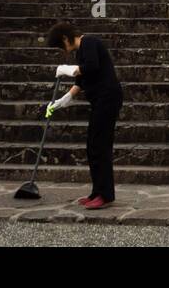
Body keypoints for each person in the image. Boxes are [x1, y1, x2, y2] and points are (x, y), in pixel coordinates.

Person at [45, 21, 123, 209]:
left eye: (61, 45)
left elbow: (91, 67)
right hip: (99, 102)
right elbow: (80, 82)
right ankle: (97, 191)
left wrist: (66, 69)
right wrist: (63, 101)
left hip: (108, 99)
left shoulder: (89, 42)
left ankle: (105, 195)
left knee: (100, 145)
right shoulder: (82, 51)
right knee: (92, 146)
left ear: (65, 38)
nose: (64, 51)